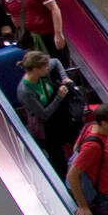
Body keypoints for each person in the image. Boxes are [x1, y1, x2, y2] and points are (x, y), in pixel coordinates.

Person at [16, 51, 78, 180]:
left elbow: (56, 61)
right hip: (47, 128)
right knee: (58, 161)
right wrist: (59, 97)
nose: (47, 68)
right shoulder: (25, 91)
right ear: (35, 69)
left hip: (60, 118)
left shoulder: (42, 74)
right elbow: (44, 115)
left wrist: (64, 77)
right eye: (44, 67)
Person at [0, 0, 68, 67]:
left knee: (58, 67)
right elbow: (13, 15)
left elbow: (54, 9)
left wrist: (58, 34)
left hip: (49, 35)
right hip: (30, 40)